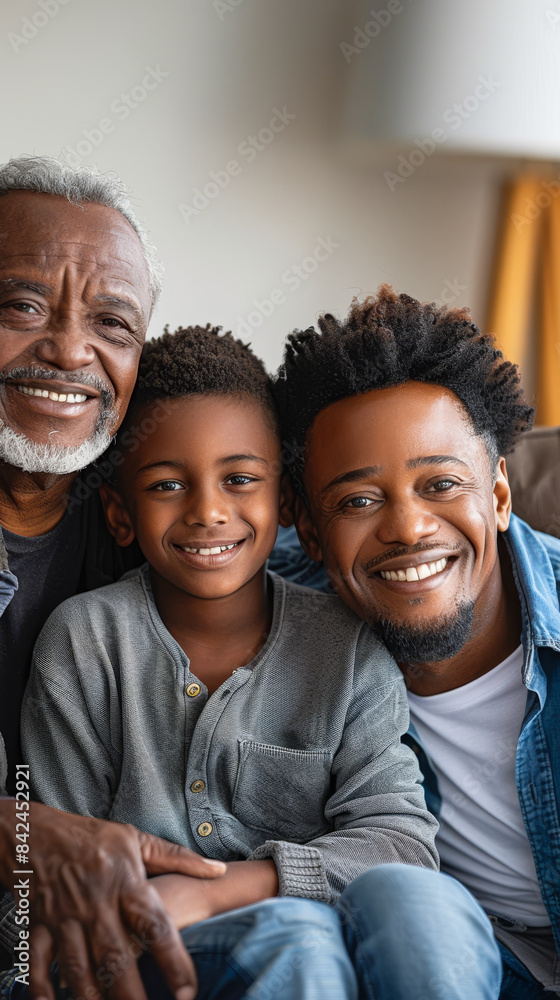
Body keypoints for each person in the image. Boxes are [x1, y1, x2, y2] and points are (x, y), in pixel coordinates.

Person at [22, 325, 500, 999]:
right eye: (167, 485)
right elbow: (53, 857)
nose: (209, 511)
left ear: (286, 505)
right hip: (148, 950)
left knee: (416, 902)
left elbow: (399, 844)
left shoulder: (348, 646)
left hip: (328, 939)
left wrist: (228, 887)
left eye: (241, 479)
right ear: (120, 514)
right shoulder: (86, 642)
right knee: (295, 939)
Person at [271, 284, 560, 998]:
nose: (406, 527)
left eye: (440, 484)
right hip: (476, 957)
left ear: (499, 496)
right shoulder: (274, 612)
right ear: (310, 532)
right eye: (358, 501)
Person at [0, 156, 224, 1000]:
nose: (69, 351)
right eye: (22, 306)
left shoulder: (148, 526)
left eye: (111, 324)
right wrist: (27, 837)